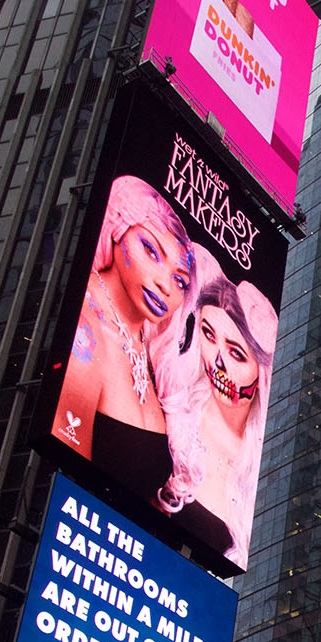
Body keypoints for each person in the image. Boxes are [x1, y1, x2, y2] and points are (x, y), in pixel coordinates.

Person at [53, 174, 195, 500]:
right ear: (118, 230)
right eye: (151, 250)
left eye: (180, 280)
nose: (164, 285)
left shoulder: (157, 354)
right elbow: (65, 474)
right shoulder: (85, 329)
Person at [155, 271, 278, 567]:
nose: (218, 362)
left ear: (261, 371)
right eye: (209, 335)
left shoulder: (267, 468)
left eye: (236, 353)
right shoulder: (171, 411)